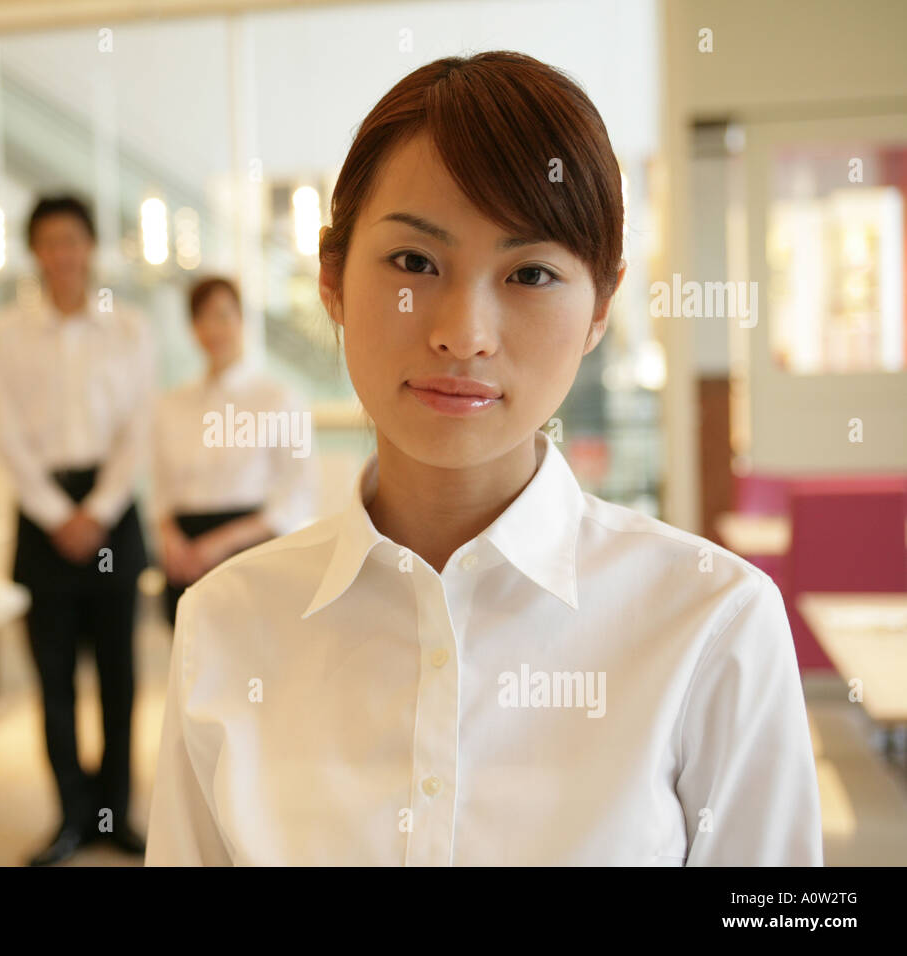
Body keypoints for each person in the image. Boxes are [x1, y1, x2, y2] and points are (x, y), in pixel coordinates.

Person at [145, 52, 823, 866]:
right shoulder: (226, 623)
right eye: (414, 263)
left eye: (530, 272)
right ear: (332, 277)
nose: (463, 333)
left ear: (602, 306)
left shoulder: (712, 625)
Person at [0, 195, 154, 865]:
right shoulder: (5, 334)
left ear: (90, 248)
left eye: (74, 240)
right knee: (53, 684)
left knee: (119, 679)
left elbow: (139, 426)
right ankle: (69, 819)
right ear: (35, 252)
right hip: (42, 514)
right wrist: (59, 515)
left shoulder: (130, 328)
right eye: (50, 242)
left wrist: (100, 511)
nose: (63, 254)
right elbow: (6, 434)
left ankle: (116, 813)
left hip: (112, 509)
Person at [152, 277, 319, 628]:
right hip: (185, 554)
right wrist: (170, 540)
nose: (214, 328)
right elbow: (161, 489)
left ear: (242, 320)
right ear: (192, 328)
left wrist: (220, 544)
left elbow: (299, 492)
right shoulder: (173, 403)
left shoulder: (278, 398)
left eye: (223, 315)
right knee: (189, 669)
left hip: (249, 549)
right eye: (202, 318)